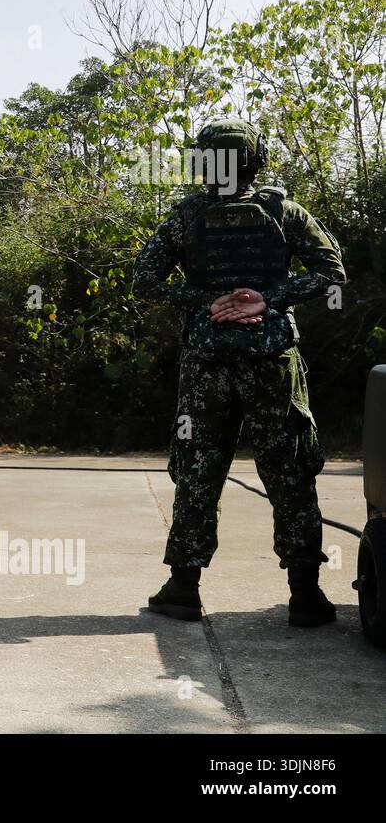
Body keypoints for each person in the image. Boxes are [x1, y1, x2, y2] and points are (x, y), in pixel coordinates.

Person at [132, 118, 346, 627]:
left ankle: (183, 588)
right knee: (290, 471)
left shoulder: (184, 218)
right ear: (255, 158)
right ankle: (305, 596)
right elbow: (330, 274)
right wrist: (265, 299)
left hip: (207, 363)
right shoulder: (285, 212)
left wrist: (208, 302)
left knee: (198, 472)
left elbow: (144, 282)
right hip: (273, 362)